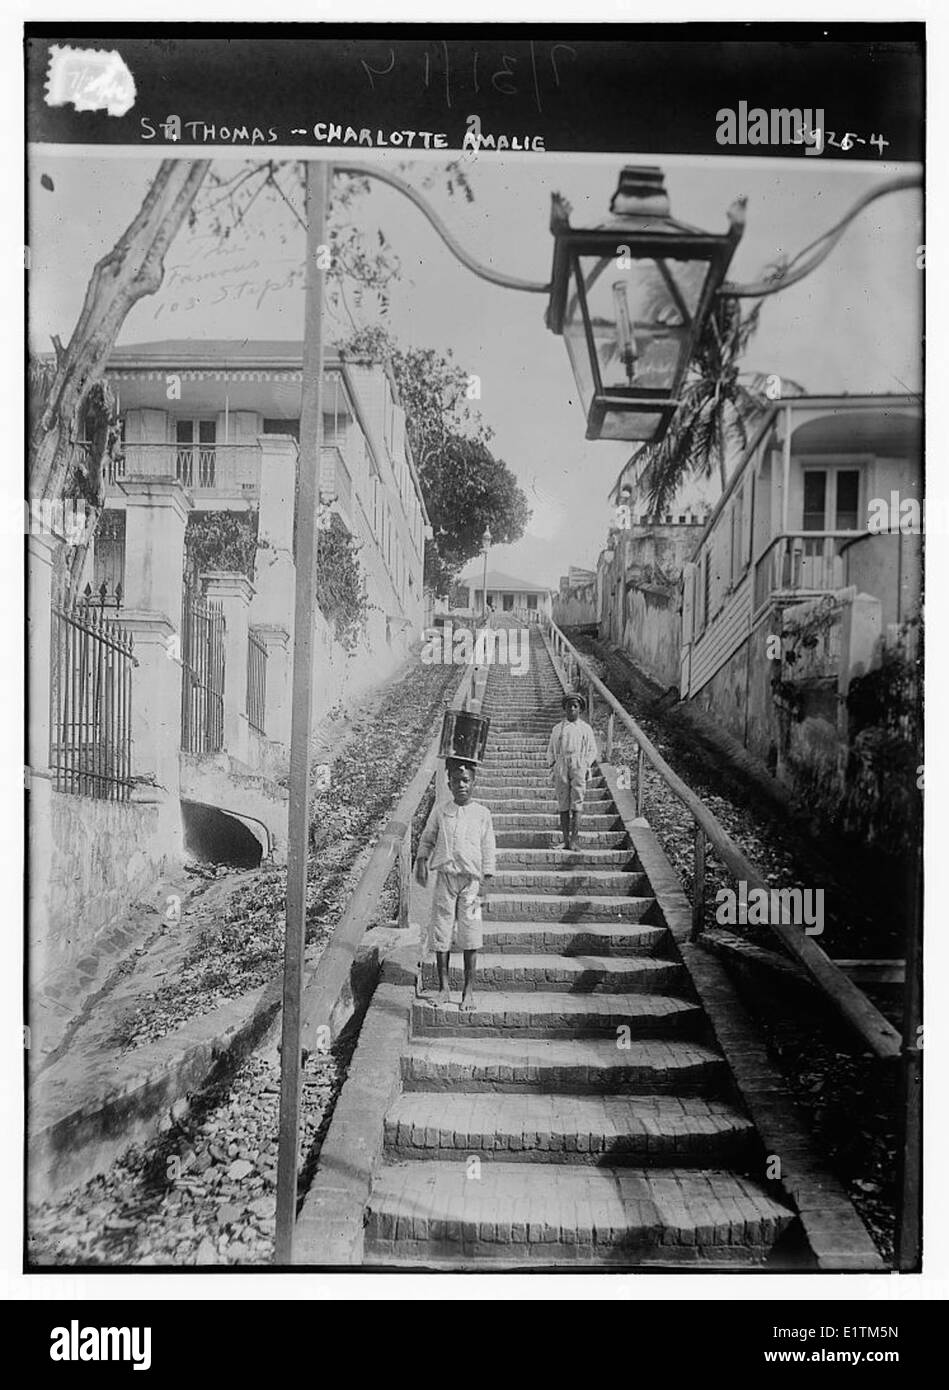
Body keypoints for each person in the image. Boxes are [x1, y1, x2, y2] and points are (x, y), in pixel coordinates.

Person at [415, 756, 496, 1011]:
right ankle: (443, 988)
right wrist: (421, 861)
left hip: (471, 884)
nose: (461, 785)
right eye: (456, 781)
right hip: (446, 881)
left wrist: (486, 882)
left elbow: (488, 848)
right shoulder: (441, 811)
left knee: (470, 934)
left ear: (473, 783)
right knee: (441, 933)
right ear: (448, 784)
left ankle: (468, 992)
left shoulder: (482, 814)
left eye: (466, 780)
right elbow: (427, 839)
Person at [547, 691, 598, 851]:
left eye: (575, 706)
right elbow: (551, 749)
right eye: (569, 706)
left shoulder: (585, 728)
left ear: (580, 709)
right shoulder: (557, 728)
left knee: (577, 802)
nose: (571, 709)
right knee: (563, 803)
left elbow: (592, 750)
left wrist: (585, 764)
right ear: (565, 708)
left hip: (579, 763)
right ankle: (565, 840)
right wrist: (553, 765)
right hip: (562, 763)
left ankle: (574, 840)